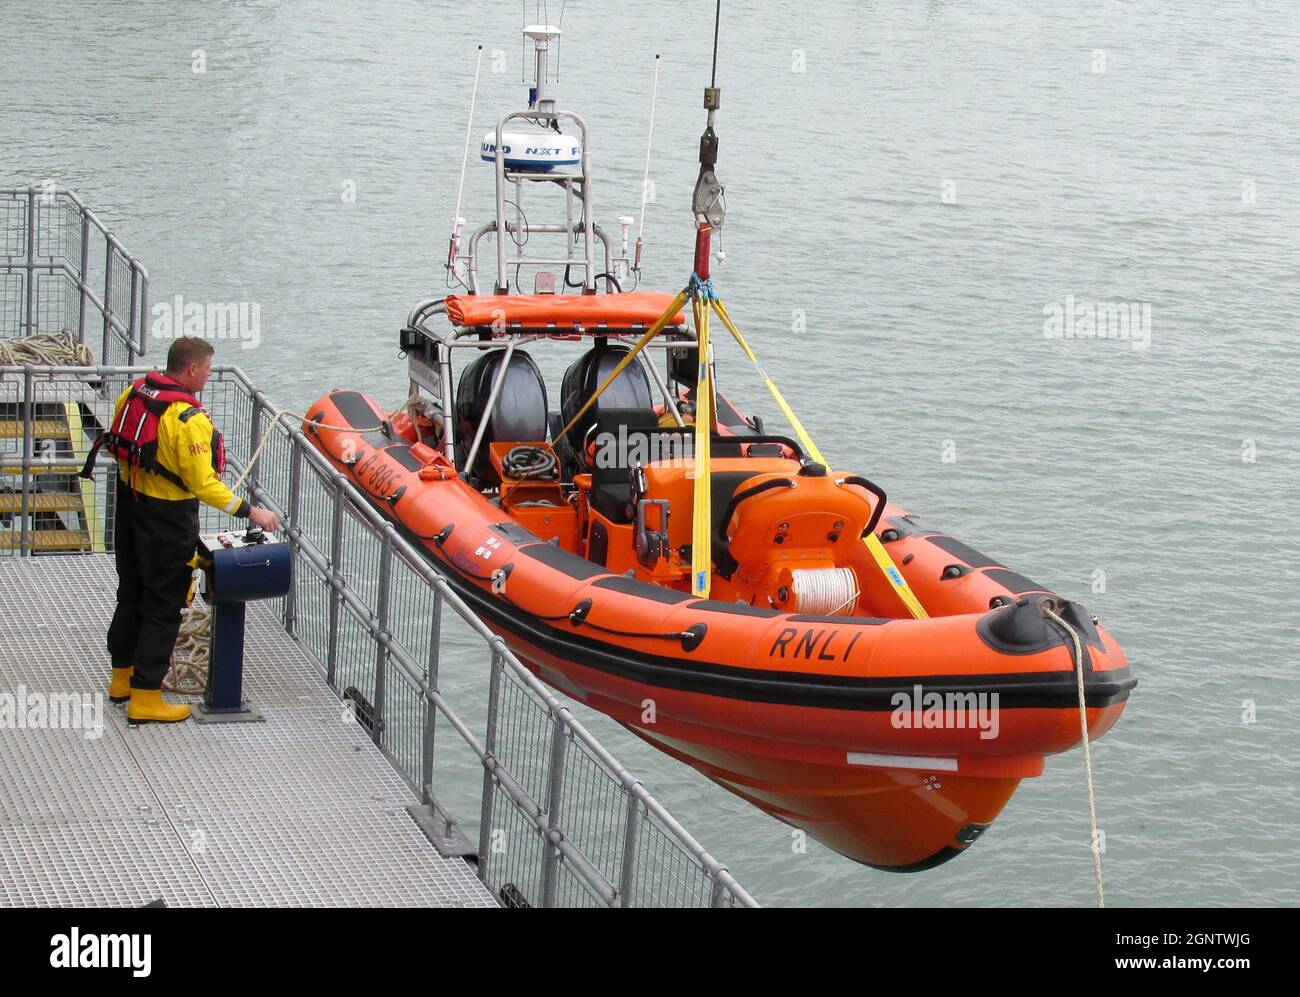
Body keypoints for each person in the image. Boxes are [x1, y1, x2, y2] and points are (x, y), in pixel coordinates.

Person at [84, 337, 280, 723]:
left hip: (129, 504)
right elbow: (204, 483)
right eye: (208, 369)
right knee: (164, 603)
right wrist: (249, 511)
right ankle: (146, 698)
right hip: (167, 519)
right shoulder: (188, 420)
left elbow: (115, 445)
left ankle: (121, 679)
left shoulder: (135, 392)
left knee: (131, 592)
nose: (209, 376)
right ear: (191, 369)